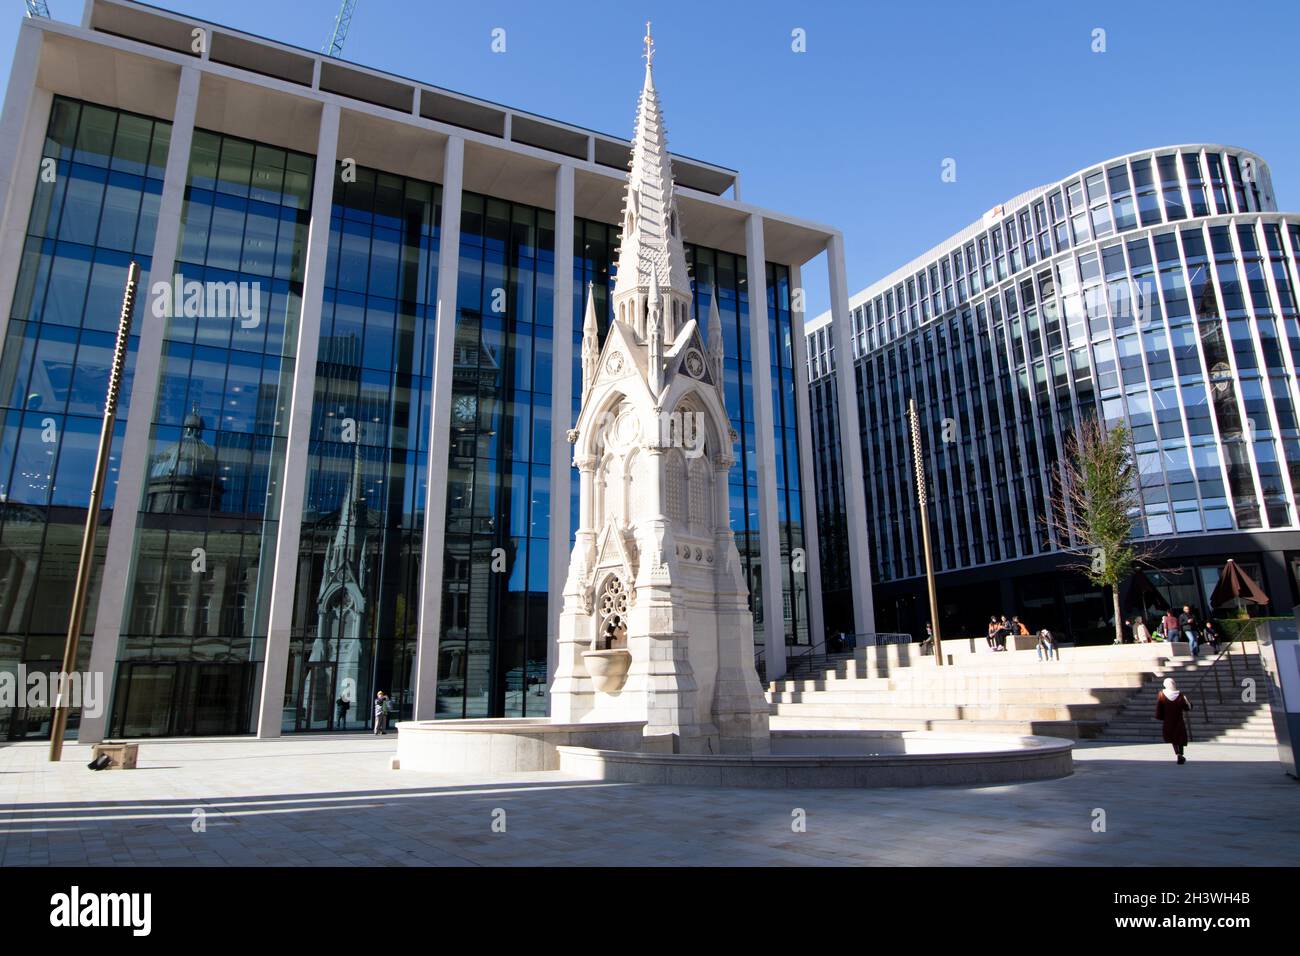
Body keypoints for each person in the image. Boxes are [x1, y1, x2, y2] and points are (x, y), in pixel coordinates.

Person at [1155, 677, 1192, 764]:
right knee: (1180, 737)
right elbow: (1186, 707)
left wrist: (1160, 716)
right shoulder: (1180, 694)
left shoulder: (1162, 694)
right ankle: (1181, 754)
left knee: (1173, 738)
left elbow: (1159, 707)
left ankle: (1178, 753)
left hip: (1168, 720)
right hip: (1178, 720)